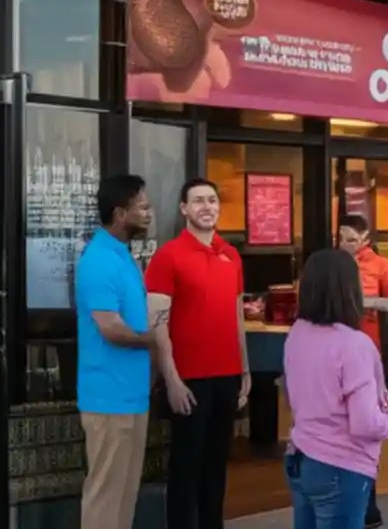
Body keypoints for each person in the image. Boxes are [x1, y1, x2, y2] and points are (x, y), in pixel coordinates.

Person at [145, 178, 249, 529]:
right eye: (199, 201)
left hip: (227, 375)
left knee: (217, 466)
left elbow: (236, 316)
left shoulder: (231, 255)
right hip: (189, 378)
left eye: (213, 200)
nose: (207, 207)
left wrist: (245, 370)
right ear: (184, 209)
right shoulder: (168, 256)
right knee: (186, 467)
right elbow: (157, 325)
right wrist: (171, 379)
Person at [283, 249, 388, 529]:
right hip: (341, 465)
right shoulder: (355, 345)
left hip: (301, 456)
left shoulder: (297, 334)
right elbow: (365, 423)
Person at [76, 174, 156, 529]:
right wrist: (153, 340)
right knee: (106, 495)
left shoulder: (123, 256)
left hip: (133, 396)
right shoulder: (99, 260)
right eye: (142, 206)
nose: (150, 212)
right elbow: (110, 327)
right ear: (120, 212)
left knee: (125, 495)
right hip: (108, 399)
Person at [337, 214, 388, 529]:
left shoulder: (381, 265)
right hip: (336, 353)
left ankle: (369, 506)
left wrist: (369, 300)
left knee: (365, 429)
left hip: (368, 356)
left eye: (351, 239)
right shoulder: (334, 265)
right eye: (341, 238)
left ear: (365, 239)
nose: (345, 244)